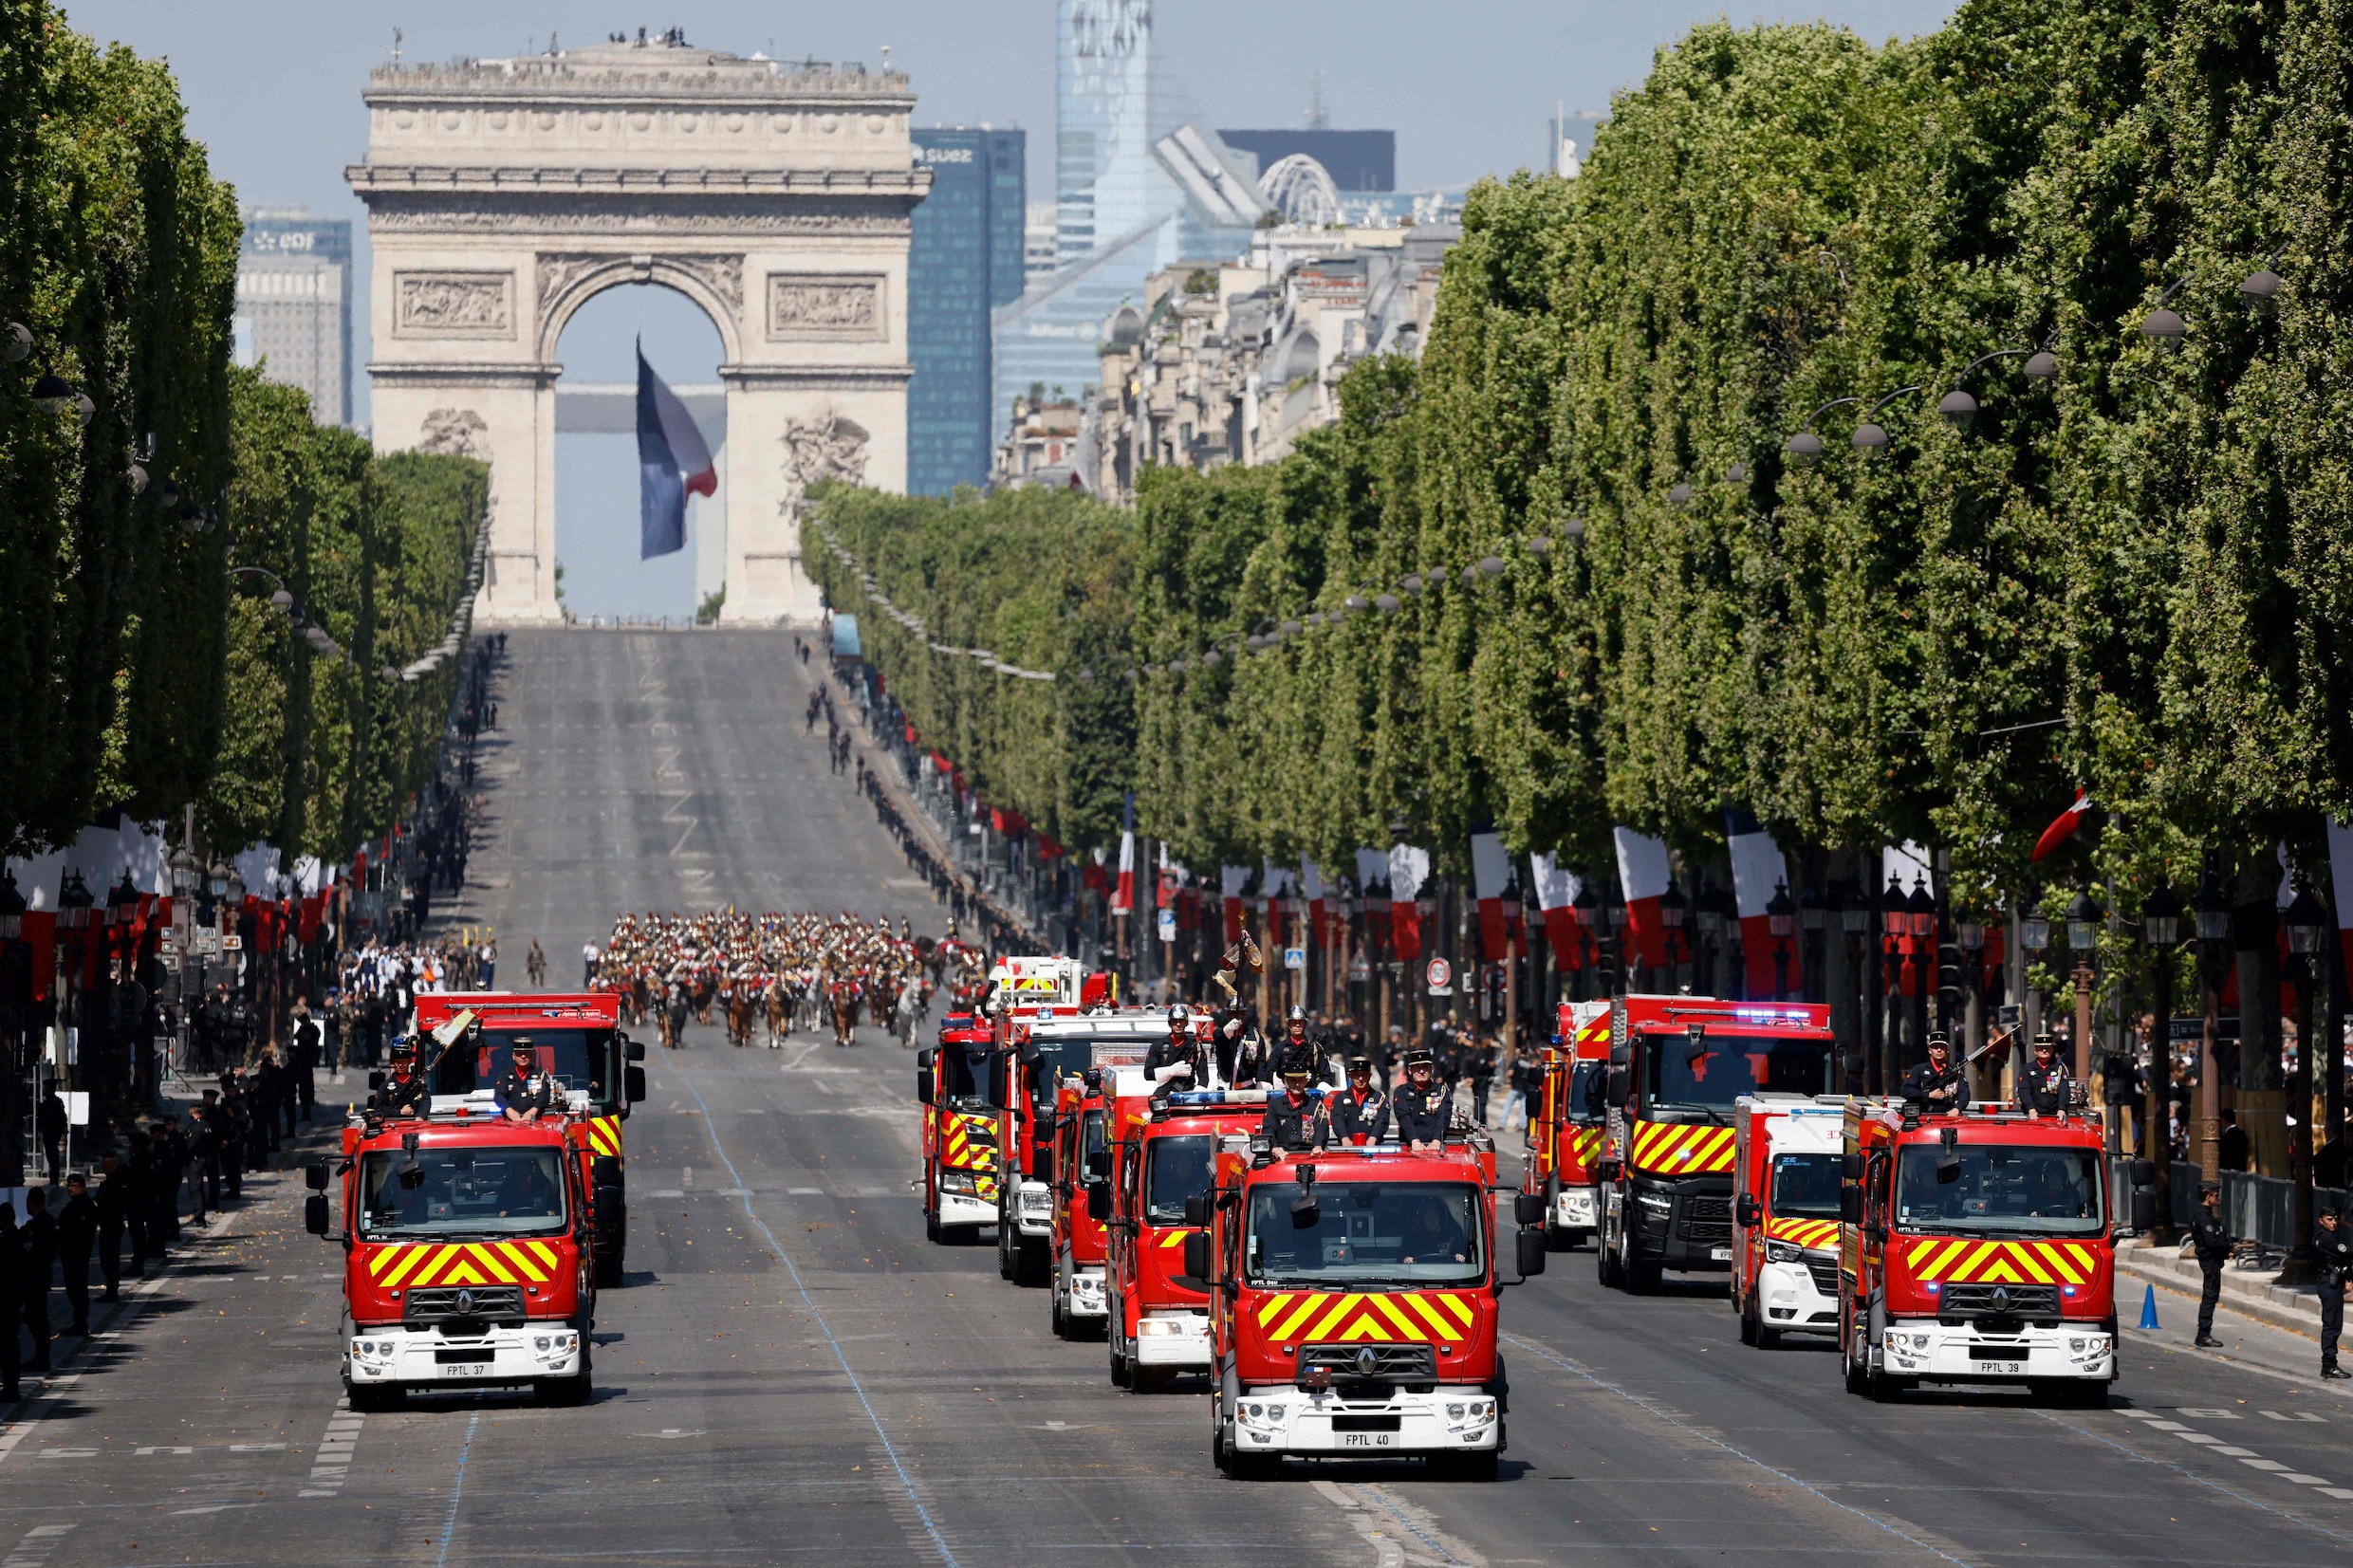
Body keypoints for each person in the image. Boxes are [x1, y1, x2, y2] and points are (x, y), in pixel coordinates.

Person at [1258, 1046, 1326, 1153]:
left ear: (1306, 1081)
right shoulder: (1275, 1106)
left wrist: (1318, 1146)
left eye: (1300, 1080)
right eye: (1293, 1080)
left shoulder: (1316, 1106)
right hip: (1281, 1154)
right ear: (1285, 1081)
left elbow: (1321, 1130)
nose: (1297, 1084)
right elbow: (1268, 1129)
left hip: (1310, 1154)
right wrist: (1274, 1148)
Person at [2189, 1182, 2230, 1348]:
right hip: (2209, 1261)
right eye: (2215, 1195)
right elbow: (2212, 1243)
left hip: (2212, 1260)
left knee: (2211, 1296)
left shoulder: (2206, 1216)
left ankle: (2204, 1334)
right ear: (2208, 1196)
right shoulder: (2203, 1217)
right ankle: (2203, 1335)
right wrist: (2226, 1248)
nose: (2218, 1198)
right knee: (2210, 1296)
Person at [20, 1188, 55, 1373]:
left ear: (31, 1203)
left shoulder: (42, 1224)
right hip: (36, 1276)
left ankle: (42, 1357)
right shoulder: (39, 1222)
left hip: (37, 1276)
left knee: (37, 1318)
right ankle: (40, 1356)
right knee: (34, 1317)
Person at [54, 1174, 94, 1337]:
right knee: (72, 1288)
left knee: (78, 1288)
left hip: (79, 1252)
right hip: (69, 1253)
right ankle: (79, 1322)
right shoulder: (71, 1206)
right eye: (69, 1186)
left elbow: (85, 1230)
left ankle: (81, 1322)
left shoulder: (87, 1206)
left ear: (82, 1187)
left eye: (74, 1186)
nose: (70, 1189)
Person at [1393, 1049, 1453, 1152]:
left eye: (1425, 1067)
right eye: (1417, 1068)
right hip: (1408, 1145)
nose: (1421, 1071)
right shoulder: (1401, 1091)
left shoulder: (1442, 1091)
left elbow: (1443, 1118)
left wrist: (1436, 1140)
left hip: (1435, 1146)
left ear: (1431, 1069)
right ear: (1410, 1070)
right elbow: (1404, 1117)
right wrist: (1414, 1140)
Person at [2319, 1201, 2351, 1381]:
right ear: (2321, 1221)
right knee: (2331, 1325)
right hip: (2329, 1284)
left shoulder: (2331, 1236)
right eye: (2329, 1219)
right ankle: (2329, 1365)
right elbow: (2346, 1253)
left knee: (2334, 1324)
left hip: (2334, 1283)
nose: (2333, 1222)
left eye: (2335, 1219)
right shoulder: (2325, 1237)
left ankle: (2329, 1364)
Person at [1901, 1033, 1971, 1116]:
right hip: (1923, 1116)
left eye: (1942, 1047)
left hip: (1947, 1116)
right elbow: (1906, 1091)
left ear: (1947, 1050)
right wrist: (1928, 1095)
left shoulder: (1954, 1071)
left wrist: (1957, 1108)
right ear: (1929, 1050)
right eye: (1935, 1047)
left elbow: (1965, 1093)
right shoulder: (1919, 1069)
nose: (1939, 1050)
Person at [1327, 1056, 1390, 1145]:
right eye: (1357, 1075)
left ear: (1370, 1076)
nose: (1360, 1079)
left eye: (1364, 1074)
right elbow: (1337, 1120)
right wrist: (1344, 1139)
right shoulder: (1340, 1098)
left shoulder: (1379, 1099)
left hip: (1374, 1146)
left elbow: (1382, 1120)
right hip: (1346, 1146)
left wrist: (1373, 1139)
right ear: (1350, 1076)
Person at [93, 1153, 129, 1300]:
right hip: (109, 1223)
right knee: (107, 1258)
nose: (102, 1166)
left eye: (105, 1164)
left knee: (110, 1258)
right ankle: (111, 1288)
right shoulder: (111, 1181)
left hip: (112, 1223)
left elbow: (114, 1204)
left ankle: (112, 1290)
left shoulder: (114, 1182)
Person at [493, 1039, 551, 1124]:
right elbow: (499, 1096)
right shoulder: (505, 1075)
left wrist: (534, 1110)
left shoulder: (540, 1075)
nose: (523, 1057)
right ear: (513, 1056)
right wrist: (508, 1110)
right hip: (511, 1122)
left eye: (526, 1053)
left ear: (531, 1055)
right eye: (519, 1054)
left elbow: (545, 1095)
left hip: (535, 1121)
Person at [2021, 1031, 2074, 1116]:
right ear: (2035, 1051)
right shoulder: (2027, 1069)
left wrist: (2062, 1109)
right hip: (2032, 1115)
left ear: (2052, 1050)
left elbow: (2064, 1090)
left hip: (2055, 1115)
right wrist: (2031, 1108)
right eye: (2041, 1048)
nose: (2044, 1050)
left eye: (2047, 1048)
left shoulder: (2059, 1069)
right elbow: (2024, 1090)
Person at [0, 1205, 20, 1400]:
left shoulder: (7, 1241)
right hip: (13, 1297)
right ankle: (10, 1385)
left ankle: (11, 1387)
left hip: (6, 1298)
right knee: (11, 1343)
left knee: (7, 1345)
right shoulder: (18, 1237)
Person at [35, 1088, 65, 1184]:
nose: (43, 1091)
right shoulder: (48, 1103)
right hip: (49, 1133)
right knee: (51, 1157)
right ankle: (53, 1179)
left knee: (53, 1158)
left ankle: (54, 1179)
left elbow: (60, 1120)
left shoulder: (55, 1103)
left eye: (46, 1089)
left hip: (52, 1133)